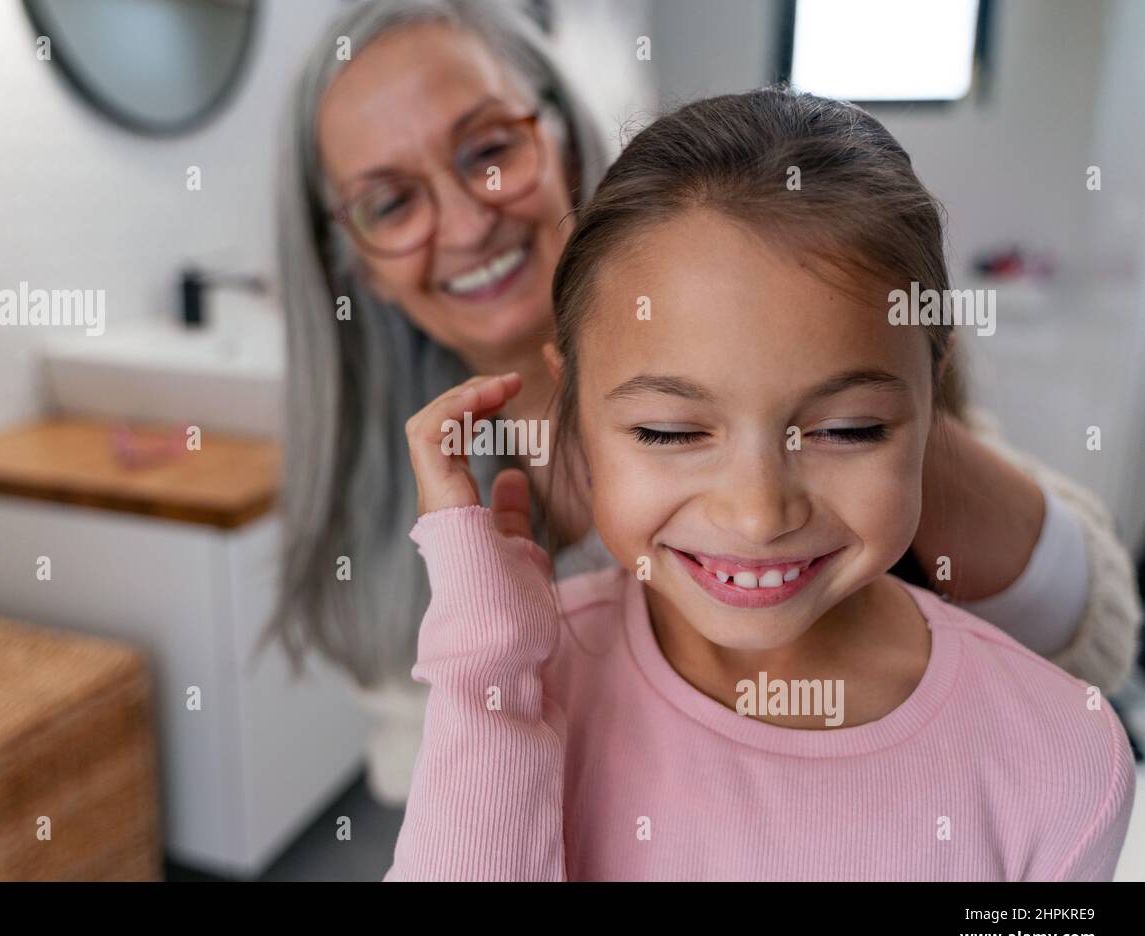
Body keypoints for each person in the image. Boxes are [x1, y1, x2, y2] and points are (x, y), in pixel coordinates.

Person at [276, 0, 1141, 805]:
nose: (466, 223)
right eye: (390, 202)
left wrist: (872, 409)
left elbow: (1082, 636)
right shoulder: (400, 510)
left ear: (565, 136)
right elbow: (447, 796)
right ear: (351, 261)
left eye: (490, 150)